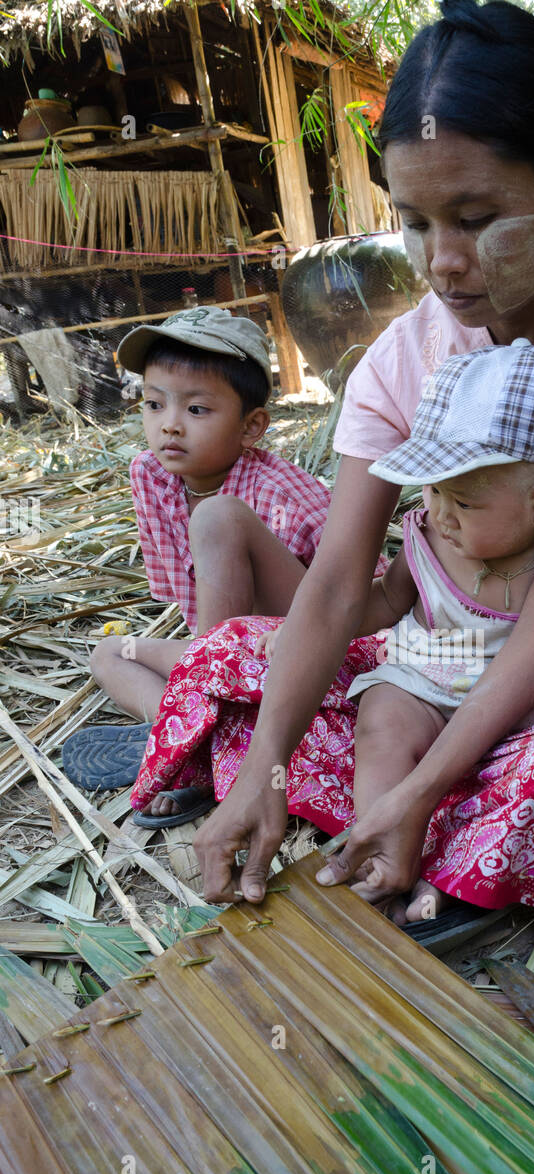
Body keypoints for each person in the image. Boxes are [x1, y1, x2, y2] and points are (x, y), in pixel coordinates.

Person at [149, 0, 534, 915]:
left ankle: (414, 809)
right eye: (414, 220)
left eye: (476, 218)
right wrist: (268, 774)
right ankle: (373, 803)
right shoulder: (403, 359)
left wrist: (424, 781)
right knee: (229, 663)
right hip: (444, 654)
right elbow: (333, 585)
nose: (441, 262)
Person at [317, 338, 534, 916]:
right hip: (424, 684)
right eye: (433, 490)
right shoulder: (426, 540)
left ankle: (448, 868)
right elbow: (382, 602)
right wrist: (319, 629)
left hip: (515, 705)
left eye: (465, 502)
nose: (442, 514)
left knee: (529, 765)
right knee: (382, 718)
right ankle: (378, 842)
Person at [88, 306, 334, 816]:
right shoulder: (151, 476)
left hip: (295, 658)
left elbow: (359, 590)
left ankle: (193, 741)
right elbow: (188, 602)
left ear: (251, 427)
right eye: (154, 405)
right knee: (111, 654)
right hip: (221, 658)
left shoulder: (278, 489)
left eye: (196, 410)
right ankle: (194, 735)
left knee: (218, 517)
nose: (170, 426)